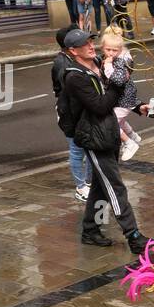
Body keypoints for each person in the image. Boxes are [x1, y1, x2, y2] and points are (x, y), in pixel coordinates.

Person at [58, 28, 150, 253]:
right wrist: (118, 85)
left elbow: (117, 95)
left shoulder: (99, 62)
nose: (91, 45)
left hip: (108, 133)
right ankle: (134, 235)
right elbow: (100, 105)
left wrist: (138, 107)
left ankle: (90, 229)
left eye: (91, 41)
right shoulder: (74, 76)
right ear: (73, 51)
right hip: (93, 137)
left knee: (100, 187)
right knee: (115, 187)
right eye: (84, 44)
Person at [52, 26, 91, 200]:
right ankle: (81, 187)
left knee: (88, 148)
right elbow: (69, 92)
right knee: (77, 150)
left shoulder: (72, 59)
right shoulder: (63, 64)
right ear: (70, 46)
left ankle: (89, 183)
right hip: (69, 113)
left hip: (78, 111)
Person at [100, 28, 143, 161]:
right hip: (121, 99)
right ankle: (133, 136)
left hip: (124, 99)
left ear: (120, 50)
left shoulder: (120, 61)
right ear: (102, 48)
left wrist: (107, 66)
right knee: (119, 120)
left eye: (114, 50)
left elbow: (118, 80)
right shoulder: (109, 58)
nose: (111, 53)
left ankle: (129, 143)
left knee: (111, 123)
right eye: (108, 50)